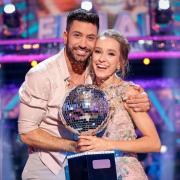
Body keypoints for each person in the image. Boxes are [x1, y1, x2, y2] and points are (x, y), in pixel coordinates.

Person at [18, 9, 151, 180]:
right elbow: (27, 133)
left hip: (89, 168)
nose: (83, 44)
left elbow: (119, 89)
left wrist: (142, 100)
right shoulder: (41, 75)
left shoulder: (96, 69)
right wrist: (74, 146)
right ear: (66, 36)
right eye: (77, 35)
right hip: (48, 165)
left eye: (90, 38)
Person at [77, 29, 161, 179]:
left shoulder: (129, 92)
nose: (102, 59)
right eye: (98, 51)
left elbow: (154, 142)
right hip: (96, 173)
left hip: (125, 173)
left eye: (111, 54)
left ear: (120, 62)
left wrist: (107, 144)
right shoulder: (84, 94)